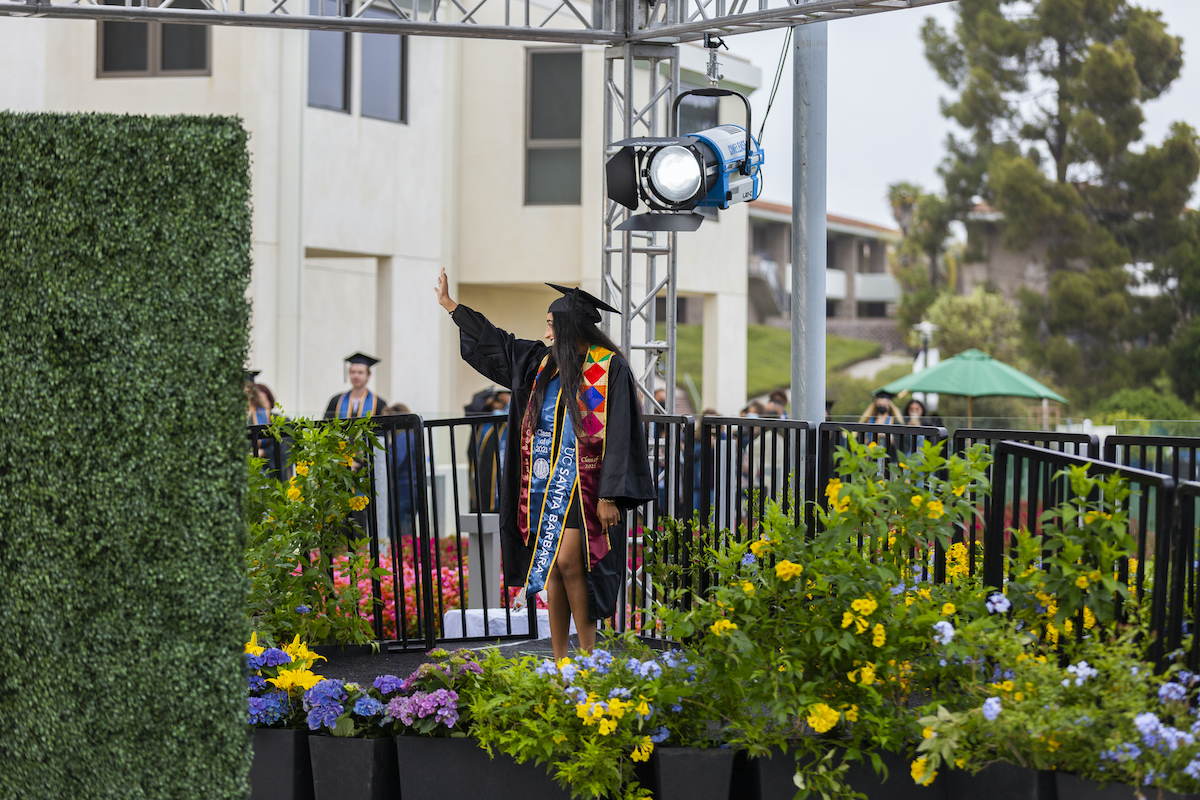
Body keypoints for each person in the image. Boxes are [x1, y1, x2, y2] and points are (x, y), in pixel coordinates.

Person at [435, 269, 655, 660]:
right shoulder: (541, 364)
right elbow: (498, 343)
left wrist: (611, 496)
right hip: (544, 486)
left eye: (553, 325)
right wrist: (454, 308)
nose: (548, 333)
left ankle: (588, 656)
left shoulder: (609, 369)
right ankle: (560, 659)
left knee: (571, 561)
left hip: (587, 490)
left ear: (571, 327)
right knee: (555, 567)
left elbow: (621, 433)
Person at [324, 352, 388, 419]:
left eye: (360, 373)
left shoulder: (379, 404)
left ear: (368, 375)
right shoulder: (336, 401)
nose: (355, 376)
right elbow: (325, 426)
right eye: (352, 372)